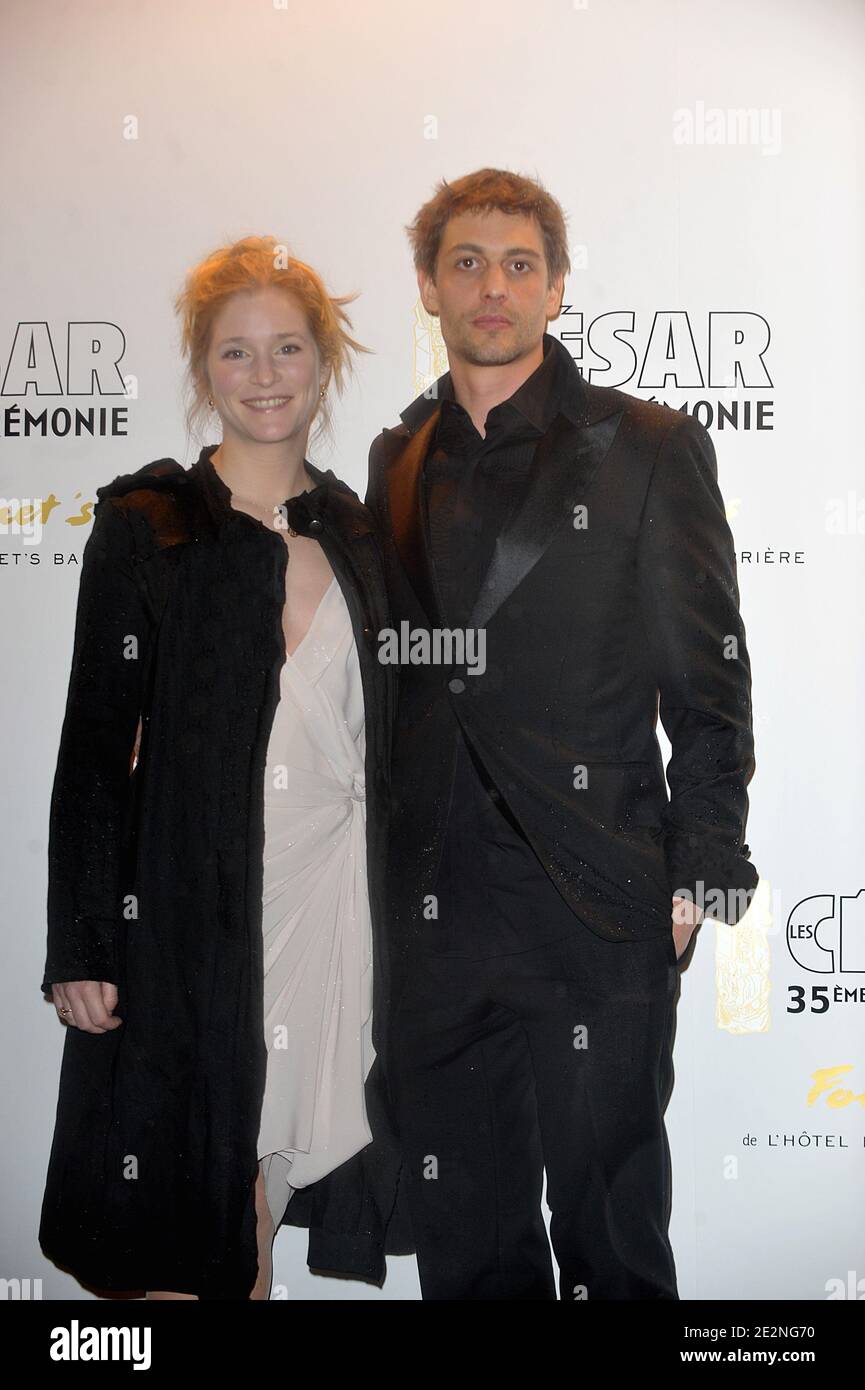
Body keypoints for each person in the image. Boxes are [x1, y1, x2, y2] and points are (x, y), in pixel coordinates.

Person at [365, 168, 760, 1299]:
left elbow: (709, 679)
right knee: (469, 1241)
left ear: (558, 288)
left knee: (610, 1235)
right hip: (436, 918)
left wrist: (704, 861)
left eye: (519, 264)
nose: (493, 287)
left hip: (598, 898)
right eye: (467, 264)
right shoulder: (399, 459)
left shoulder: (642, 446)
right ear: (430, 289)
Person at [39, 236, 408, 1300]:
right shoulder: (148, 527)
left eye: (287, 349)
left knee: (255, 1191)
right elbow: (95, 747)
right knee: (179, 1206)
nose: (264, 376)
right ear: (205, 369)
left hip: (331, 902)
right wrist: (82, 941)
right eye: (236, 352)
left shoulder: (359, 534)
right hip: (187, 915)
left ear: (323, 363)